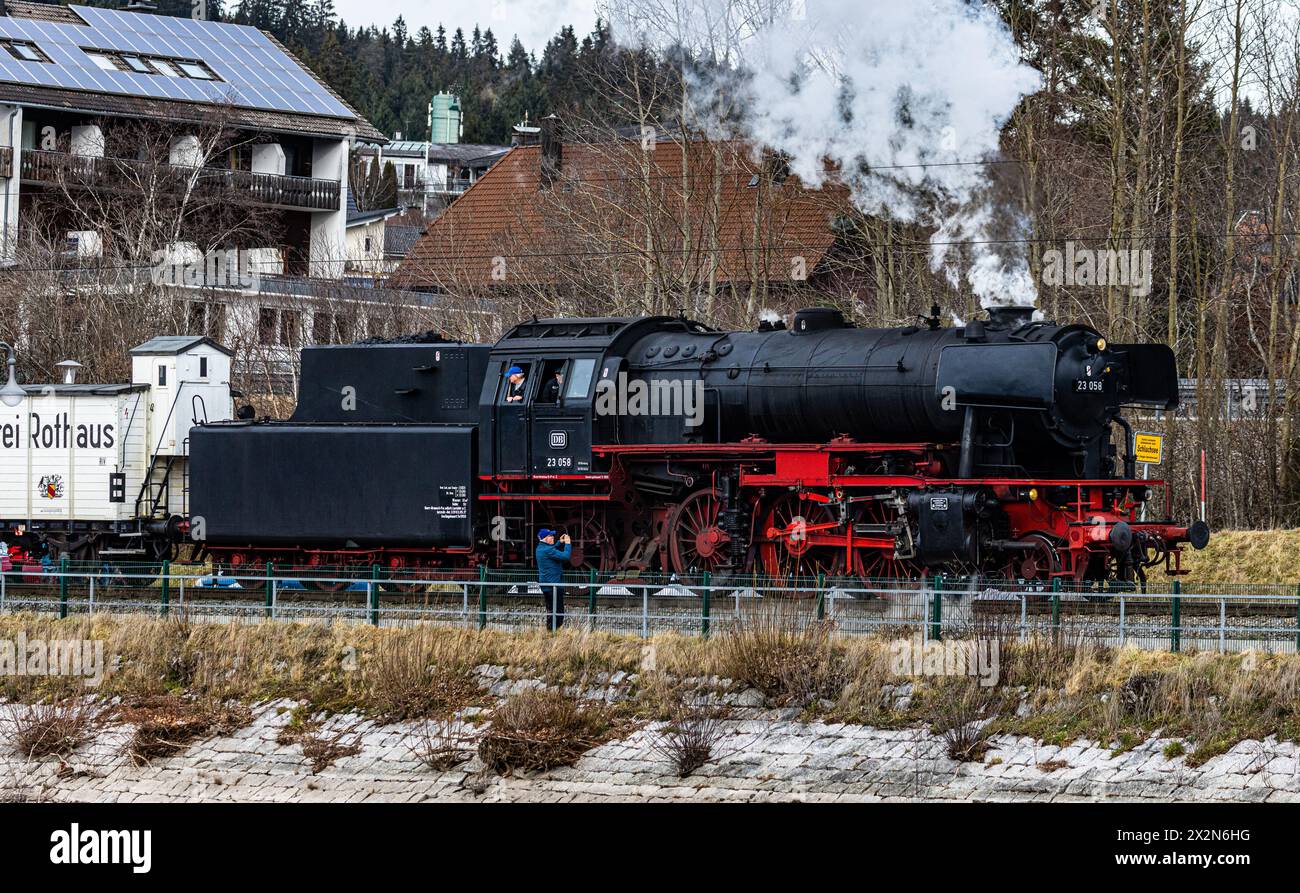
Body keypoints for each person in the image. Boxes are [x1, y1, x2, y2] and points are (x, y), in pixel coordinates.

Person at [534, 528, 571, 631]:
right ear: (545, 538)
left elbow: (551, 549)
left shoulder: (540, 548)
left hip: (547, 585)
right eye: (551, 536)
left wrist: (560, 542)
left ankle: (551, 630)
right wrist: (567, 544)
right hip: (553, 586)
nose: (553, 537)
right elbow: (566, 556)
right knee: (558, 611)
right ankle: (554, 631)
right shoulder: (547, 550)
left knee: (551, 609)